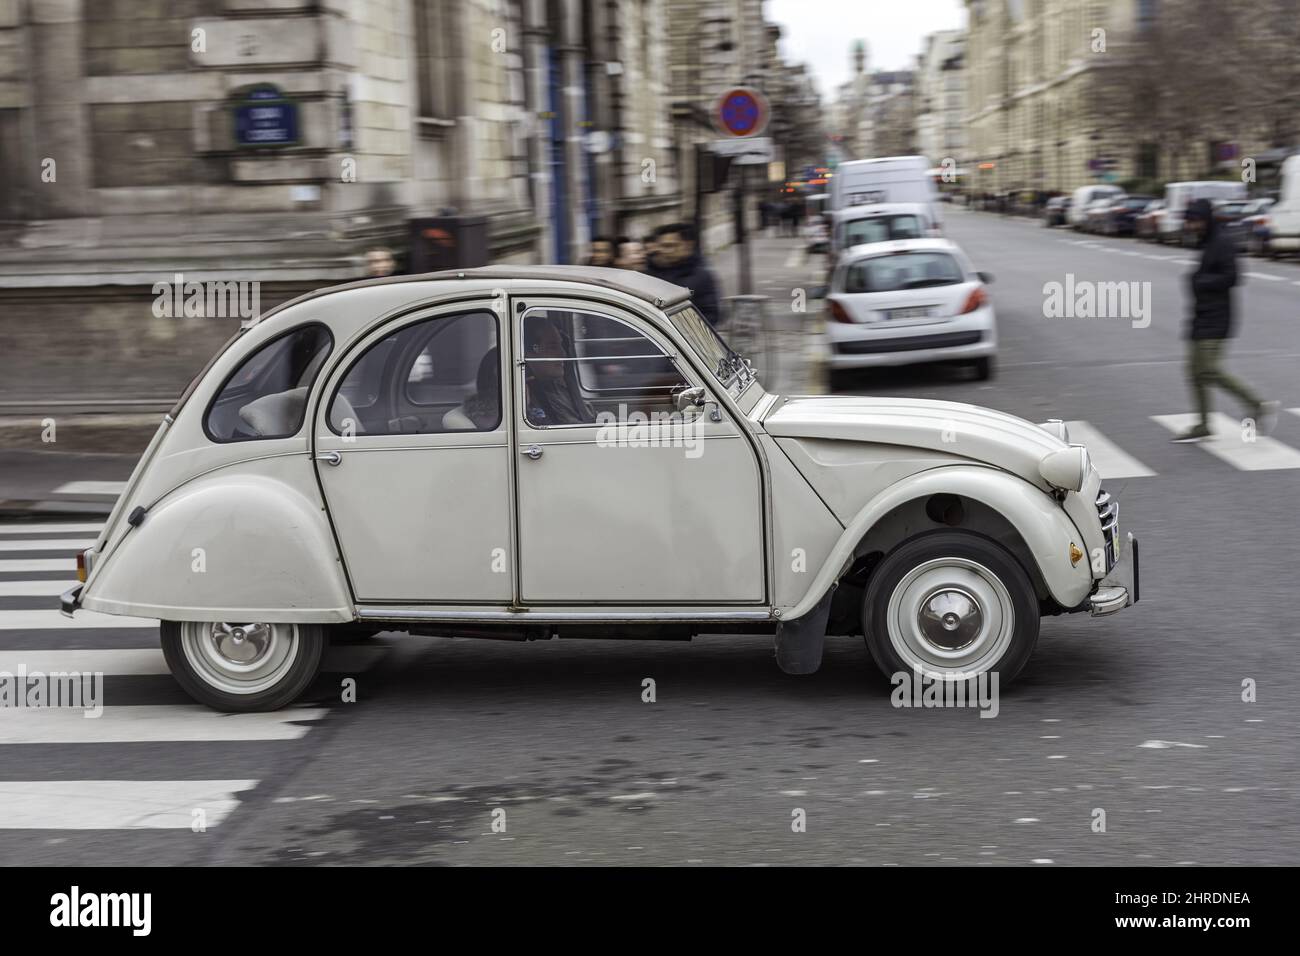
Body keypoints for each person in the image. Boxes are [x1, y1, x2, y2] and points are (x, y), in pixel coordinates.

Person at [1171, 198, 1277, 442]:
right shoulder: (1207, 242)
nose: (1191, 226)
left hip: (1217, 318)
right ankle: (1203, 424)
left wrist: (1200, 282)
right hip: (1201, 316)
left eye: (1194, 221)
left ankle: (1258, 405)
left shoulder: (1222, 242)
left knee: (1209, 369)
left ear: (1205, 220)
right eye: (1189, 221)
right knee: (1194, 372)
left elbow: (1233, 277)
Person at [523, 318, 594, 426]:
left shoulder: (557, 386)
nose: (563, 354)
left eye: (561, 345)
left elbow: (591, 416)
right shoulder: (527, 396)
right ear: (529, 353)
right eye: (552, 347)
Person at [648, 222, 721, 326]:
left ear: (688, 245)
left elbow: (710, 315)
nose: (665, 251)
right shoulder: (649, 273)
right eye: (661, 246)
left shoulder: (701, 277)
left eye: (670, 246)